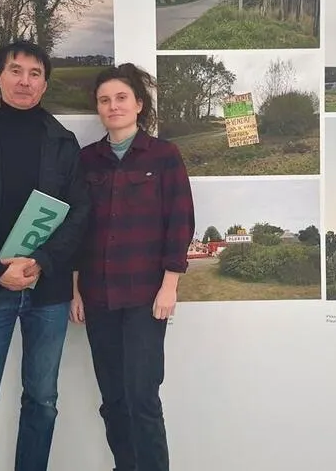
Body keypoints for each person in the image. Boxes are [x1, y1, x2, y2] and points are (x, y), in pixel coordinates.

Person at [0, 39, 90, 471]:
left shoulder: (64, 143)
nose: (25, 81)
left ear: (44, 84)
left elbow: (79, 213)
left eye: (35, 73)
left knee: (43, 401)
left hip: (48, 291)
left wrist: (41, 262)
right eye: (16, 71)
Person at [70, 63, 195, 471]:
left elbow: (180, 221)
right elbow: (76, 227)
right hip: (98, 296)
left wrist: (170, 285)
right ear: (98, 109)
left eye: (121, 98)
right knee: (113, 400)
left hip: (145, 296)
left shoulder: (164, 156)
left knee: (142, 397)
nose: (113, 106)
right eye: (105, 100)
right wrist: (75, 290)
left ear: (139, 104)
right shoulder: (87, 161)